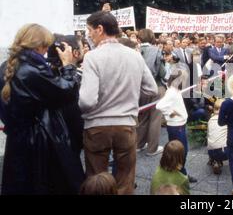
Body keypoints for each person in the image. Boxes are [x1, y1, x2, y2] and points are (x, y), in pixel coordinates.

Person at [80, 11, 158, 195]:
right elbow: (152, 90)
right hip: (127, 125)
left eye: (89, 30)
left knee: (96, 181)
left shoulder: (92, 57)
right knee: (125, 180)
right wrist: (129, 95)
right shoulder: (135, 55)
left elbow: (86, 100)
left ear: (100, 29)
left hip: (97, 127)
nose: (88, 35)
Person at [0, 24, 85, 194]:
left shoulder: (7, 66)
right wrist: (69, 66)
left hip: (17, 138)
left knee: (21, 184)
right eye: (45, 46)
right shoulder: (31, 70)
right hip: (39, 140)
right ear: (37, 45)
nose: (46, 51)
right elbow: (65, 92)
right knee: (44, 184)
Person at [156, 70, 197, 183]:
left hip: (178, 125)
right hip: (176, 126)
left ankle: (179, 173)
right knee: (181, 151)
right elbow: (159, 106)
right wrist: (170, 113)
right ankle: (180, 174)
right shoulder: (172, 93)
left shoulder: (174, 90)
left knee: (179, 151)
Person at [136, 29, 165, 156]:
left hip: (139, 88)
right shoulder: (156, 50)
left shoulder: (133, 51)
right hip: (155, 86)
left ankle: (138, 144)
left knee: (142, 117)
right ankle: (152, 149)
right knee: (155, 118)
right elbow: (162, 73)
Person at [207, 99, 229, 175]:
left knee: (214, 140)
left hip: (210, 151)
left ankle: (215, 161)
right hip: (223, 152)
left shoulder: (210, 120)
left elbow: (209, 134)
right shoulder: (226, 120)